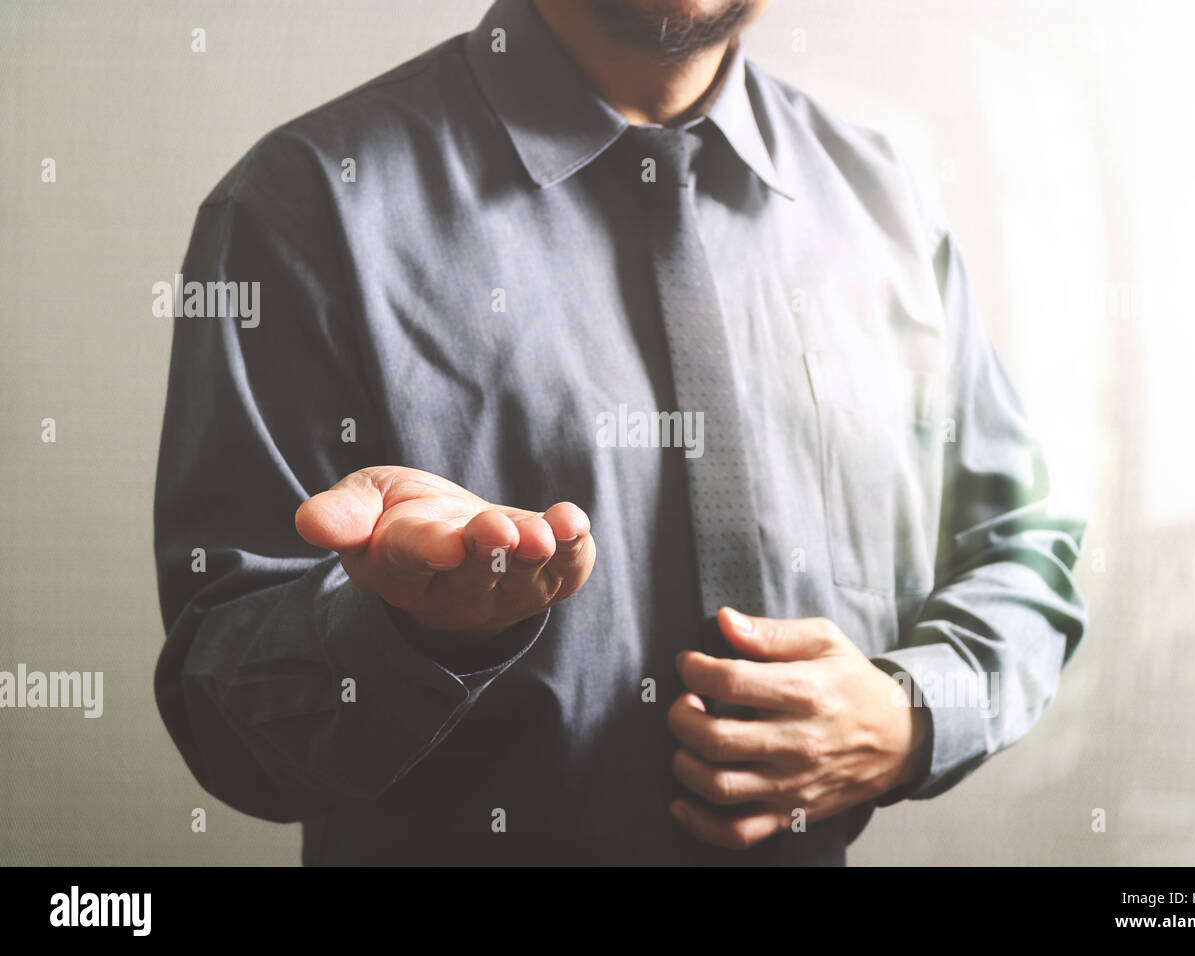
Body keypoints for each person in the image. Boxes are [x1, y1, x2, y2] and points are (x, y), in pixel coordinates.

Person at [153, 0, 1087, 866]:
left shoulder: (888, 206)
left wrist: (913, 712)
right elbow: (225, 722)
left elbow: (1022, 547)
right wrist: (405, 633)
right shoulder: (302, 211)